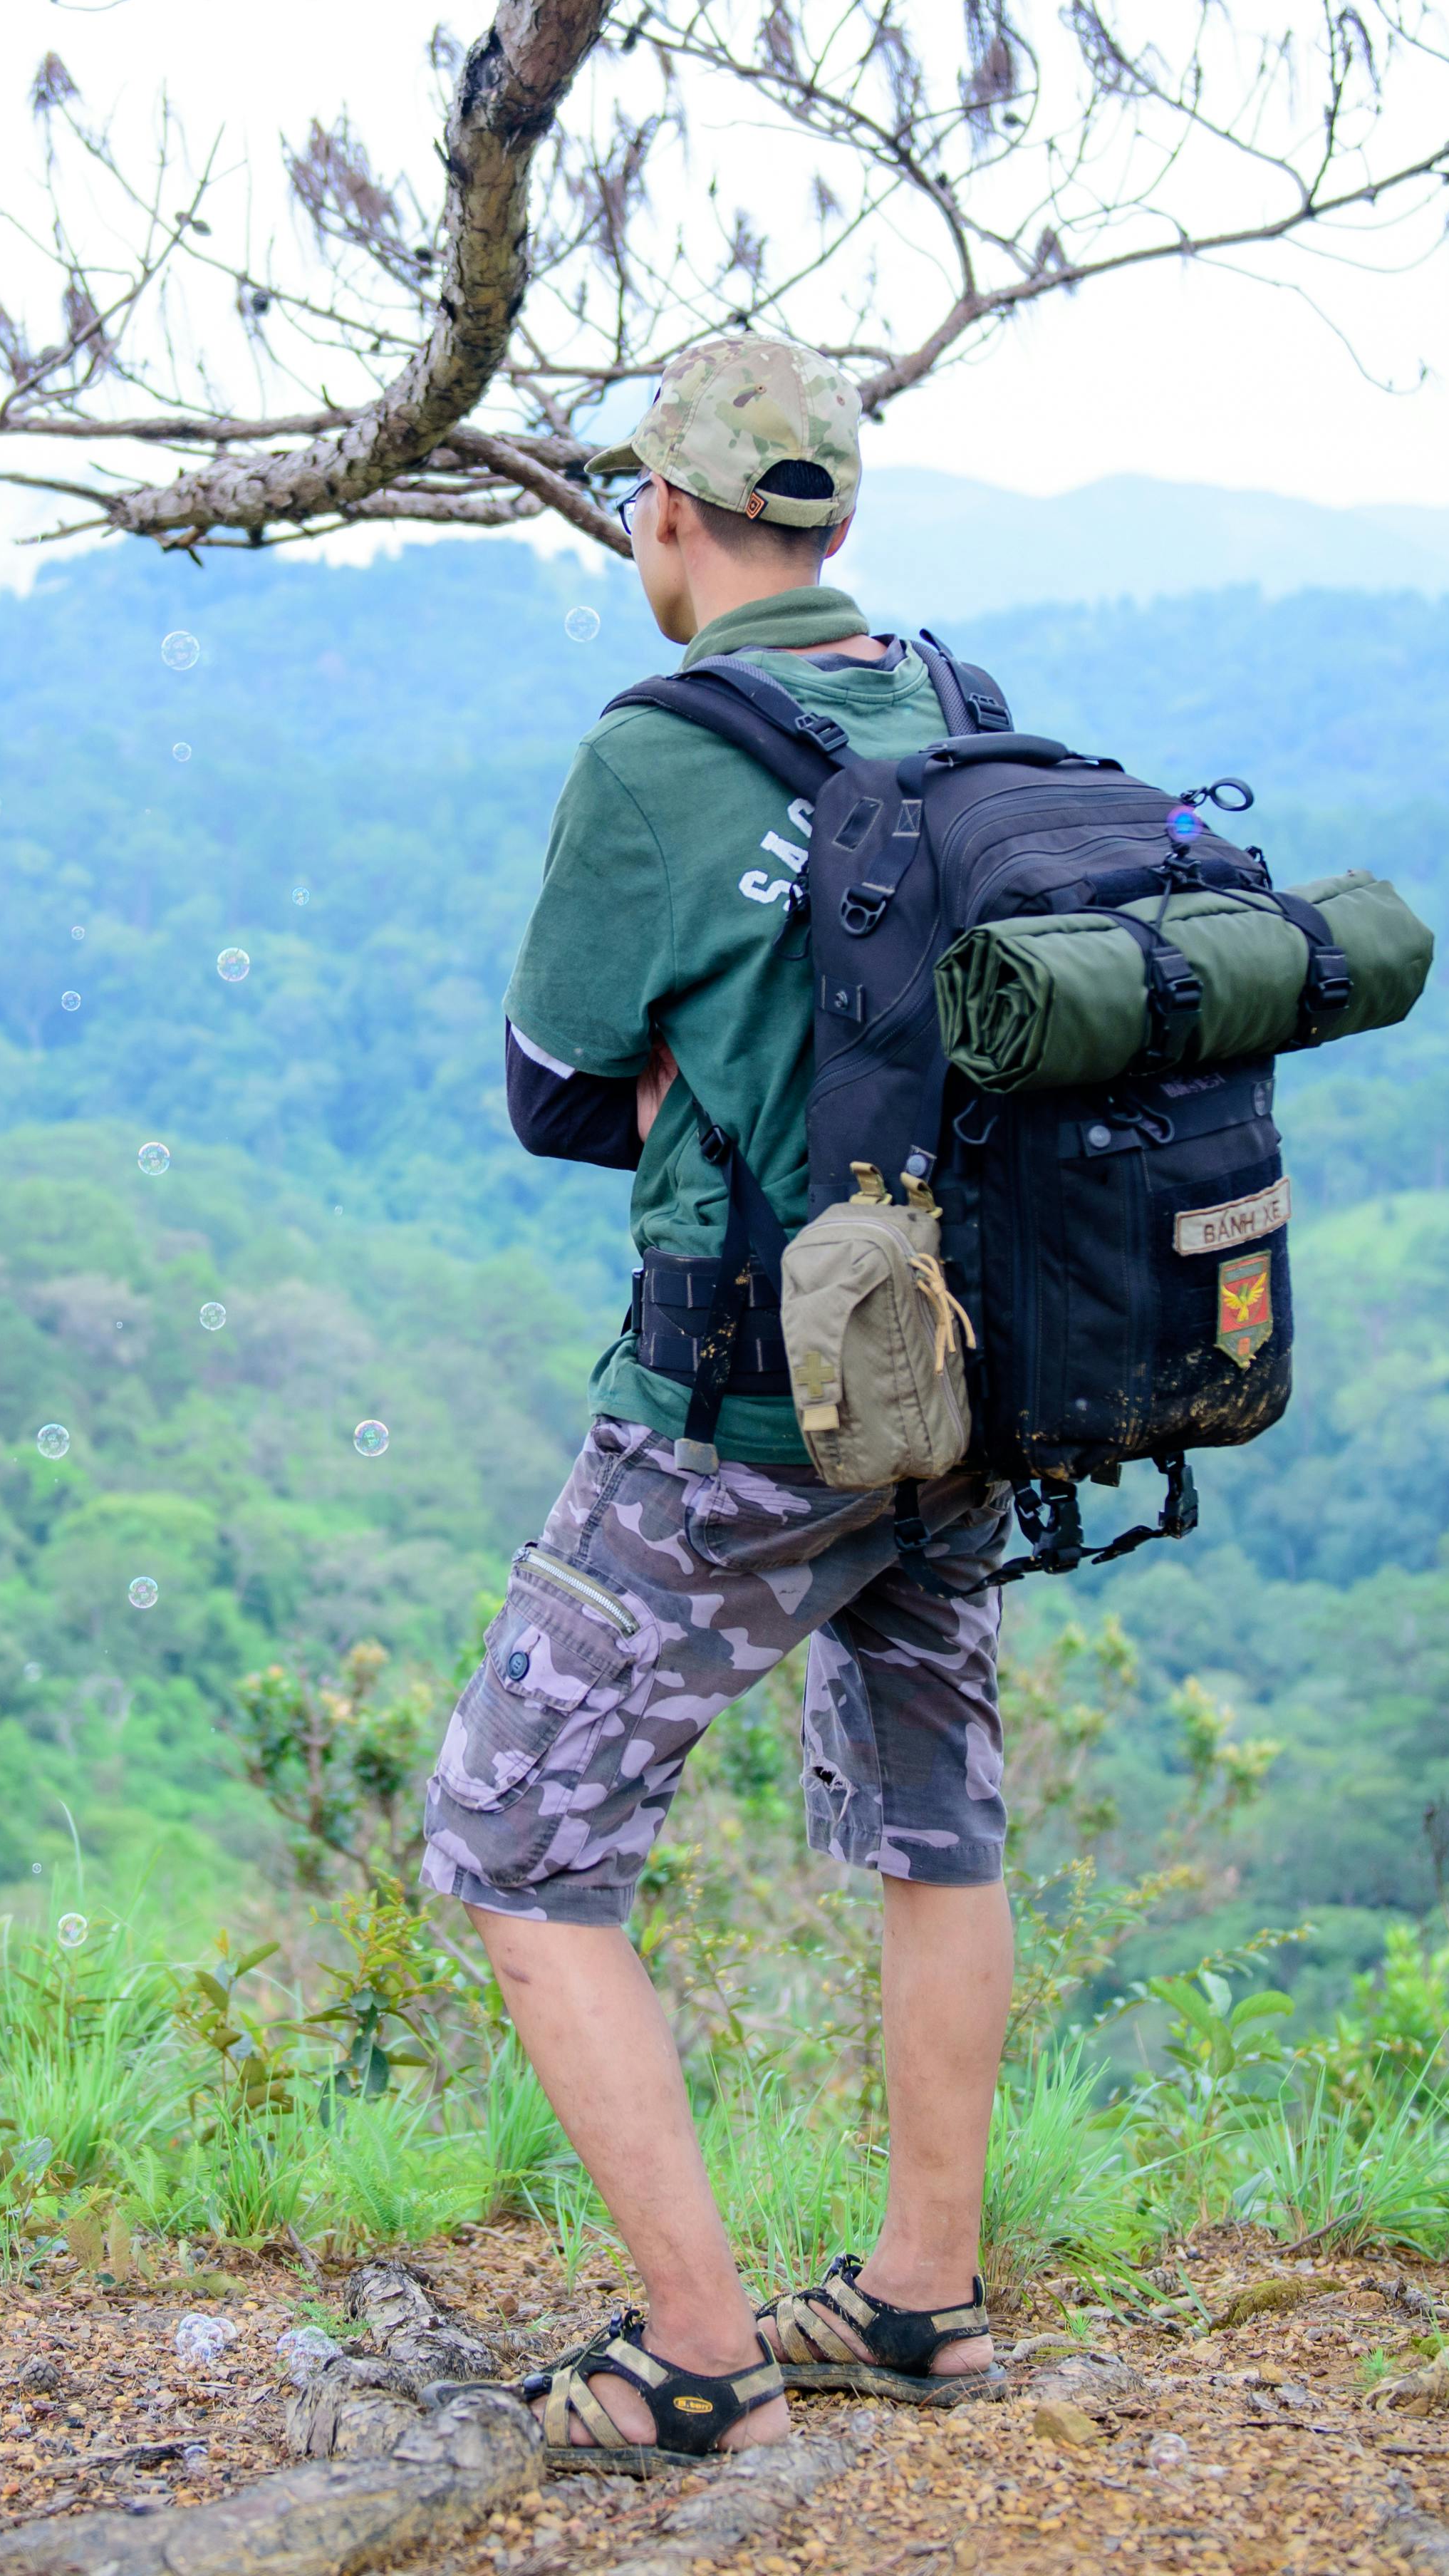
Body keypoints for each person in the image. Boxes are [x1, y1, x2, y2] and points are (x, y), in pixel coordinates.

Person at [433, 337, 1014, 2471]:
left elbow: (553, 1087)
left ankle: (695, 2350)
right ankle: (924, 2296)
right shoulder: (955, 704)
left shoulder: (657, 758)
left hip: (736, 1415)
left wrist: (698, 1072)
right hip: (956, 1383)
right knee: (933, 1808)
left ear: (660, 517)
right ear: (837, 523)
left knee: (512, 1839)